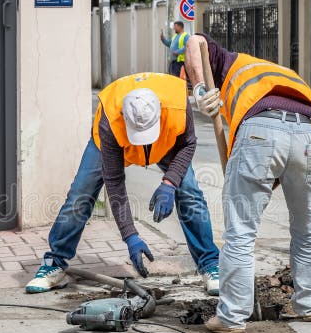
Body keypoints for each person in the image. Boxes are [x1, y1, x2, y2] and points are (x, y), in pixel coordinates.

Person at [183, 34, 311, 333]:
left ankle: (232, 317)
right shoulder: (277, 74)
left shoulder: (228, 62)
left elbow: (193, 40)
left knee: (240, 231)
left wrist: (199, 89)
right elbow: (281, 164)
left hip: (261, 128)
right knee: (308, 227)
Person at [26, 72, 220, 295]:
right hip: (115, 142)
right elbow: (115, 182)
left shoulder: (177, 104)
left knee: (190, 192)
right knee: (80, 194)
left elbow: (188, 144)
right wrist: (131, 236)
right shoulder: (110, 120)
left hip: (167, 143)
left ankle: (210, 264)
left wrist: (169, 182)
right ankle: (55, 263)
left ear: (160, 113)